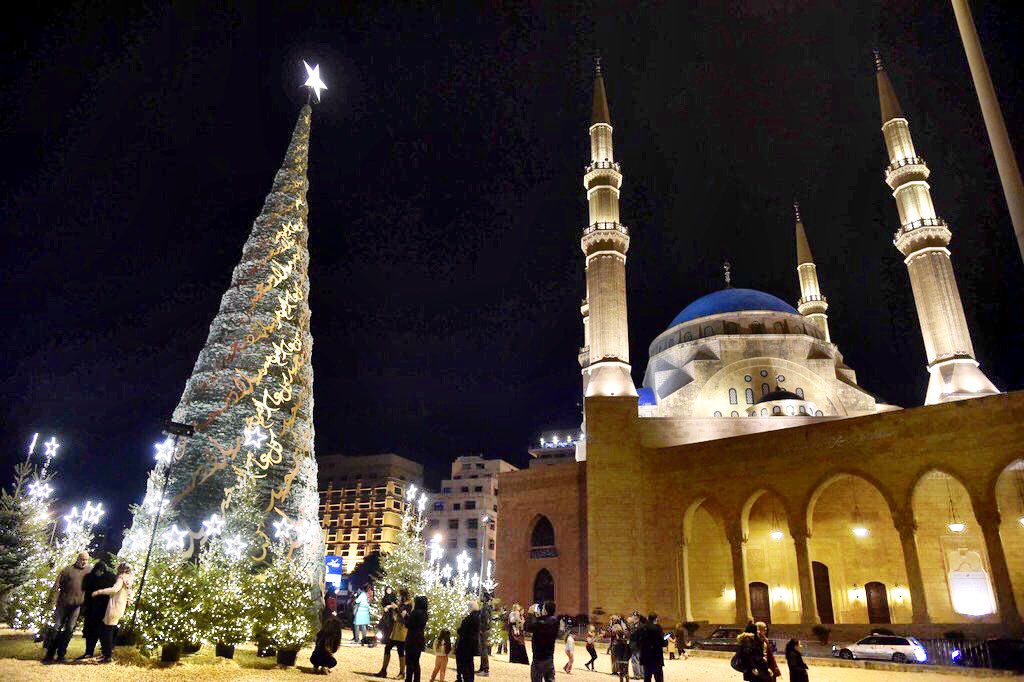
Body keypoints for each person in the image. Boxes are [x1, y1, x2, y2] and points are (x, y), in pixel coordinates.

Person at [42, 551, 91, 663]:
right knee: (56, 628)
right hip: (63, 604)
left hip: (76, 606)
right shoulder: (67, 570)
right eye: (82, 559)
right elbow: (57, 585)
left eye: (86, 560)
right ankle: (49, 655)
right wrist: (52, 600)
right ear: (78, 559)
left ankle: (61, 654)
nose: (84, 562)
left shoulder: (89, 571)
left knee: (69, 629)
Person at [90, 562, 133, 663]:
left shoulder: (121, 578)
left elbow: (114, 590)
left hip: (114, 606)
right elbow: (130, 593)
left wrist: (99, 592)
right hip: (120, 606)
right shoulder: (129, 579)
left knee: (107, 631)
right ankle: (105, 654)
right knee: (107, 629)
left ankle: (107, 656)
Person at [78, 561, 115, 660]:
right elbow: (85, 589)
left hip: (102, 609)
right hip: (93, 608)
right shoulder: (91, 577)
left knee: (102, 631)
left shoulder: (109, 577)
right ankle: (90, 652)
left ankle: (104, 654)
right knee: (91, 632)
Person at [525, 600, 559, 682]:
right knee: (550, 679)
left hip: (538, 657)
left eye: (543, 608)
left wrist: (530, 614)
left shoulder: (541, 622)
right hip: (549, 657)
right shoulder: (555, 622)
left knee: (536, 678)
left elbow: (527, 627)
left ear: (546, 610)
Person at [405, 595, 429, 682]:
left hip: (412, 639)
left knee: (409, 662)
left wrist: (405, 617)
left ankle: (408, 679)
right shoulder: (425, 613)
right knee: (416, 662)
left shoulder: (415, 612)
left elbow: (409, 624)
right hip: (419, 639)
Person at [456, 599, 480, 682]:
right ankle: (470, 678)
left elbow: (462, 630)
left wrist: (459, 629)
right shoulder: (478, 617)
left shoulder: (469, 618)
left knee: (465, 662)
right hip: (473, 643)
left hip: (466, 643)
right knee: (470, 662)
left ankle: (465, 678)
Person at [638, 613, 666, 682]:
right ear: (656, 619)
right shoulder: (658, 628)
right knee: (658, 678)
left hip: (646, 657)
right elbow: (663, 643)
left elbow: (639, 642)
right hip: (656, 656)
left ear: (648, 618)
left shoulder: (642, 628)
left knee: (647, 677)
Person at [477, 592, 493, 676]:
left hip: (484, 631)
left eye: (482, 596)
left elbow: (486, 620)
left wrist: (482, 629)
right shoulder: (486, 607)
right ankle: (482, 668)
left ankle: (485, 670)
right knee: (482, 649)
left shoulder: (485, 608)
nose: (481, 597)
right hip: (485, 630)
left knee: (484, 650)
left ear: (485, 598)